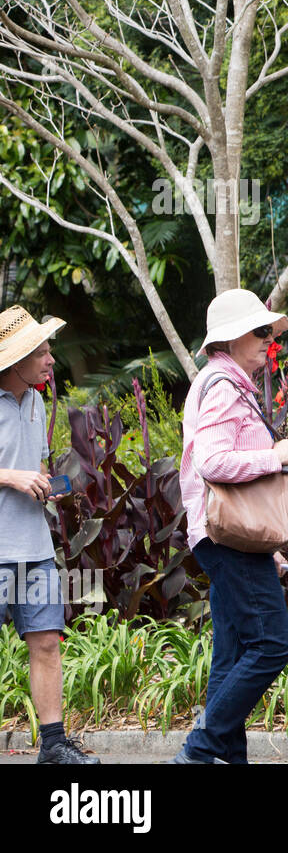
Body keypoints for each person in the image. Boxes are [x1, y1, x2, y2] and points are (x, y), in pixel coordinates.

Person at [172, 289, 288, 764]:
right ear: (231, 338)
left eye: (270, 332)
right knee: (270, 645)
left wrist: (263, 543)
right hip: (226, 538)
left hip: (229, 537)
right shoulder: (224, 386)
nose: (271, 340)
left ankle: (222, 758)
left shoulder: (227, 384)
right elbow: (212, 462)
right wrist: (276, 455)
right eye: (262, 332)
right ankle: (198, 751)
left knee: (230, 654)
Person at [0, 306, 98, 763]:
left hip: (34, 548)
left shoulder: (37, 402)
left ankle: (54, 747)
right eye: (41, 352)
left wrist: (47, 486)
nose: (50, 360)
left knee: (45, 643)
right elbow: (15, 472)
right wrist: (13, 478)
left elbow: (34, 465)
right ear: (15, 360)